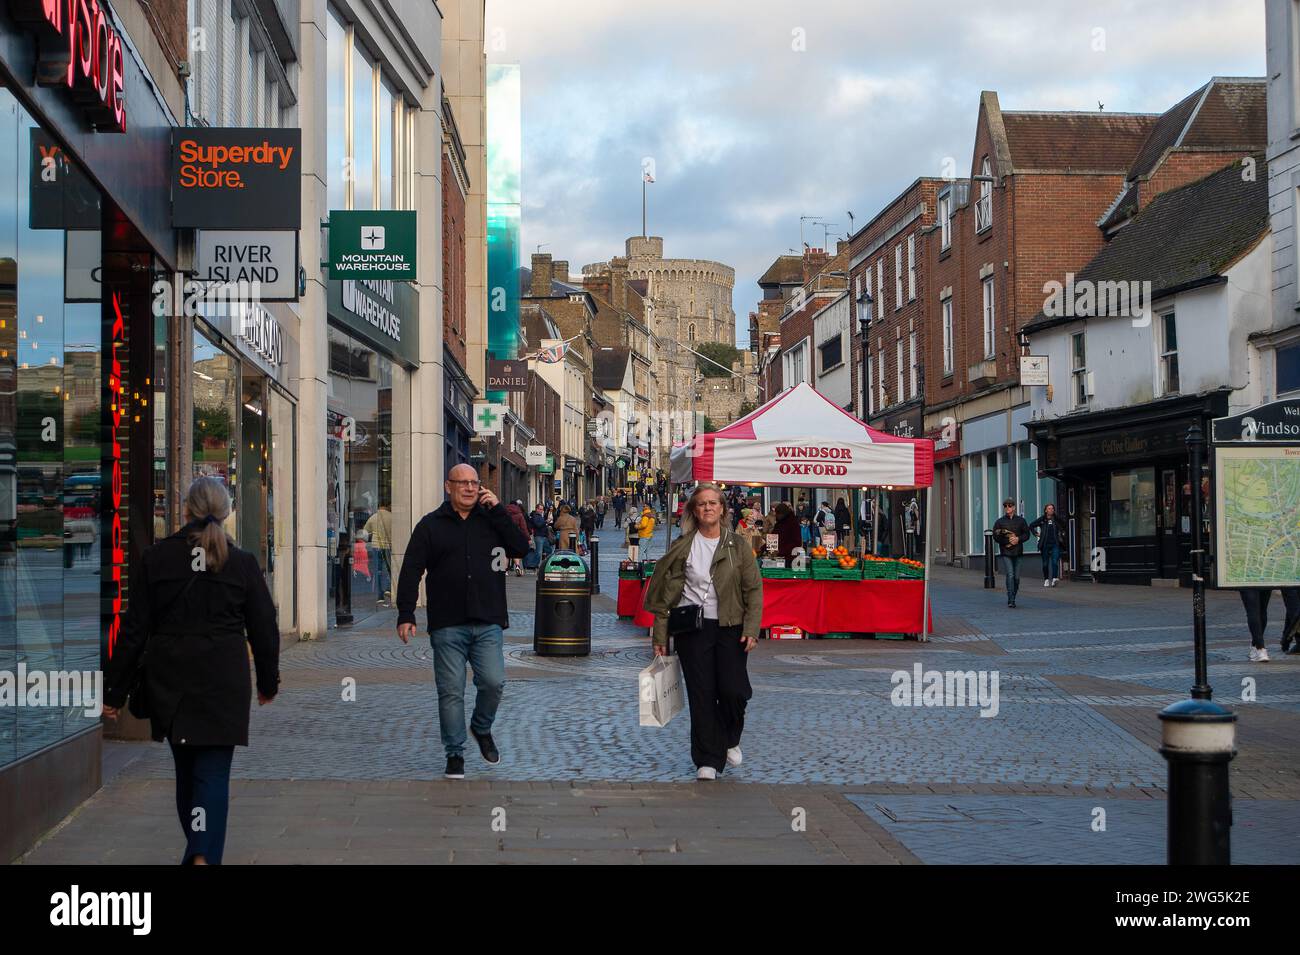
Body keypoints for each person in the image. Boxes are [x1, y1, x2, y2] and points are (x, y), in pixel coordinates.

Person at [103, 476, 280, 865]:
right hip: (223, 683)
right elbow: (265, 627)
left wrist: (113, 693)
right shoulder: (243, 563)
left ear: (185, 510)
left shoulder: (157, 558)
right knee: (212, 775)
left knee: (187, 774)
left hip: (172, 682)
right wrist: (268, 683)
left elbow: (134, 631)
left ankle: (199, 851)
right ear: (227, 512)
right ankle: (201, 855)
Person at [396, 464, 530, 779]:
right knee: (451, 691)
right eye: (463, 483)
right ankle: (455, 753)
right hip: (447, 623)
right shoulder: (430, 526)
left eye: (474, 483)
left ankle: (481, 728)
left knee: (494, 681)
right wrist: (406, 613)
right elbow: (412, 568)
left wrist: (498, 509)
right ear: (448, 486)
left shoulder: (492, 520)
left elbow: (520, 547)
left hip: (488, 620)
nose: (469, 488)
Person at [644, 482, 763, 780]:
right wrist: (661, 636)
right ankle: (707, 759)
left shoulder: (738, 546)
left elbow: (754, 590)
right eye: (702, 504)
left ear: (722, 509)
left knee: (734, 690)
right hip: (692, 630)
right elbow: (666, 596)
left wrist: (752, 628)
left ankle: (730, 737)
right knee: (702, 695)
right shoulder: (683, 546)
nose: (708, 507)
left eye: (713, 503)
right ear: (694, 511)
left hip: (730, 627)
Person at [1240, 587, 1300, 662]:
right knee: (1262, 611)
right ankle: (1257, 647)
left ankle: (1260, 648)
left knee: (1253, 611)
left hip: (1245, 580)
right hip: (1265, 579)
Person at [992, 498, 1032, 608]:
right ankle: (1011, 599)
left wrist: (1018, 539)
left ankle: (1013, 594)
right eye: (1005, 506)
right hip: (1006, 552)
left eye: (1009, 506)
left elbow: (1027, 534)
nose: (1007, 508)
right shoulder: (999, 522)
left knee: (1017, 577)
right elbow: (996, 536)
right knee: (1010, 574)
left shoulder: (1021, 521)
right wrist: (1007, 541)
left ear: (1014, 507)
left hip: (1018, 552)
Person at [1029, 503, 1066, 587]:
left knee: (1054, 561)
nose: (1051, 510)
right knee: (1045, 563)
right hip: (1044, 544)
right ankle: (1046, 579)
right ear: (1046, 510)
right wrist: (1036, 533)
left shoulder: (1056, 519)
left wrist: (1062, 533)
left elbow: (1064, 525)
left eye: (1052, 508)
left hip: (1055, 544)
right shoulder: (1042, 519)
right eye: (1049, 508)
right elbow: (1031, 525)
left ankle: (1054, 579)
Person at [363, 503, 393, 605]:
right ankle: (389, 588)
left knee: (378, 571)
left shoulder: (373, 517)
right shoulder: (392, 517)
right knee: (390, 569)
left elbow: (365, 532)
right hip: (388, 546)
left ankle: (380, 596)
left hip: (376, 546)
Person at [505, 499, 530, 576]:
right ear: (516, 505)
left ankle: (505, 570)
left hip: (505, 534)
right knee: (515, 552)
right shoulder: (519, 514)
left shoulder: (504, 512)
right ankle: (518, 566)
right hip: (516, 534)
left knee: (506, 553)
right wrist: (527, 537)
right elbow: (523, 527)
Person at [526, 503, 548, 570]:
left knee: (548, 549)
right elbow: (538, 525)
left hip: (543, 536)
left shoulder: (540, 515)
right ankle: (534, 565)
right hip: (538, 536)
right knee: (539, 552)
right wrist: (545, 522)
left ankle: (540, 564)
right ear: (536, 509)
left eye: (542, 509)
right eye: (540, 509)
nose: (541, 511)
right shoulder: (535, 516)